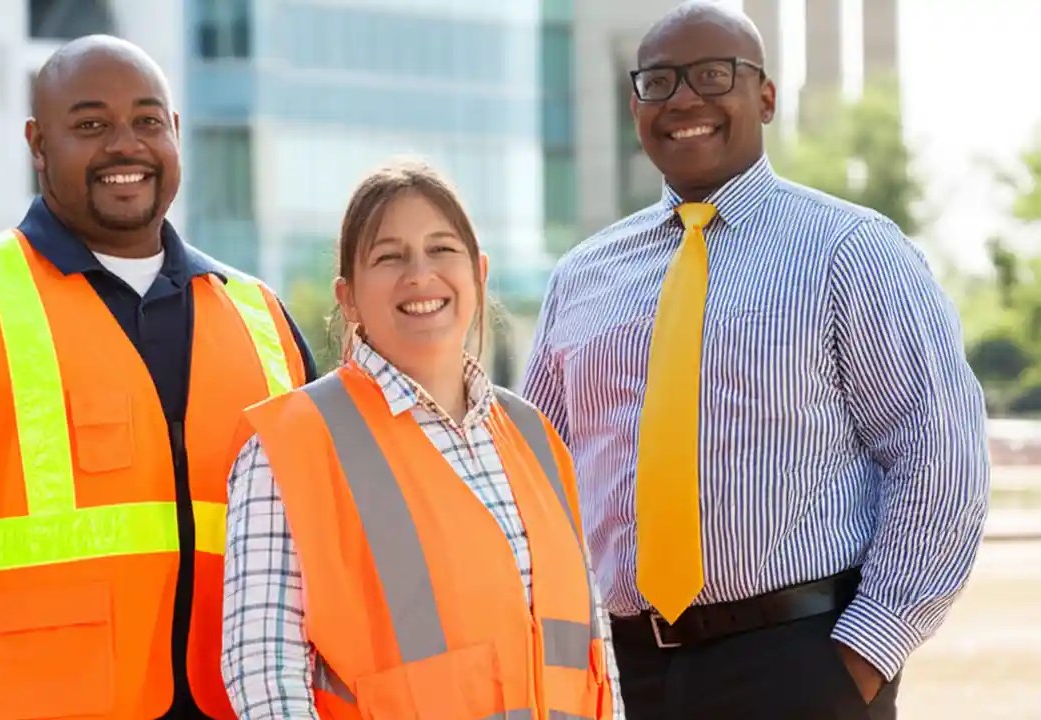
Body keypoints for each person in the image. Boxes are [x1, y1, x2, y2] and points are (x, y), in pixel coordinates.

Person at [520, 3, 990, 719]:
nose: (684, 100)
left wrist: (860, 659)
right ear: (635, 104)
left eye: (713, 75)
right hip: (621, 671)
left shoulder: (851, 251)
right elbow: (538, 480)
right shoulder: (581, 278)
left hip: (801, 662)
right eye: (660, 82)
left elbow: (939, 457)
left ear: (764, 96)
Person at [0, 35, 314, 720]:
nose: (126, 145)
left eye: (147, 121)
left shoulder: (262, 319)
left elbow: (325, 541)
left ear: (175, 133)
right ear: (38, 144)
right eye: (90, 125)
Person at [218, 159, 621, 719]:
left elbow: (595, 655)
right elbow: (263, 672)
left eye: (441, 250)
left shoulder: (536, 436)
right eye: (389, 257)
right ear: (349, 297)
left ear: (479, 275)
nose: (419, 275)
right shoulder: (288, 447)